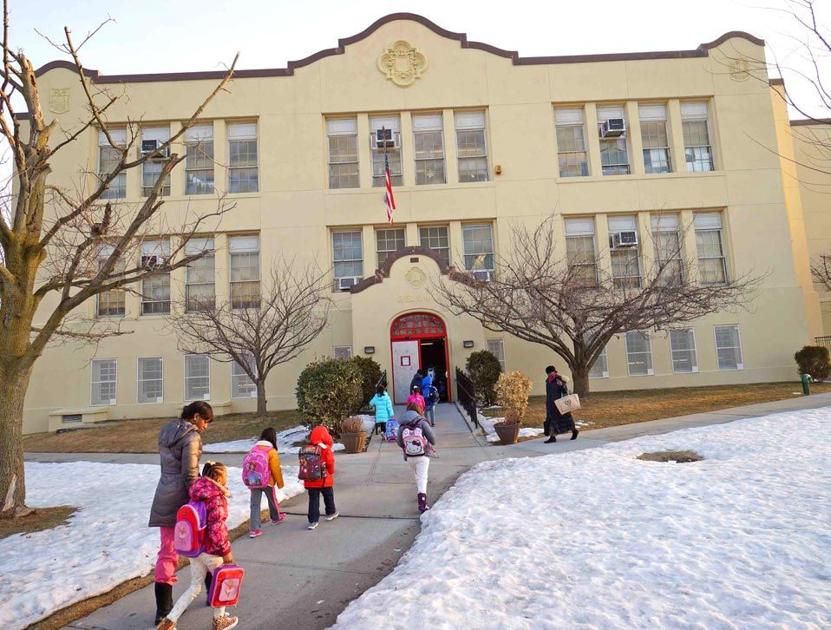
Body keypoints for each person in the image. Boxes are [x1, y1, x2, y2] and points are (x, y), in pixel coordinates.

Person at [149, 401, 213, 625]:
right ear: (196, 416)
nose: (205, 426)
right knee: (203, 545)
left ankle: (163, 611)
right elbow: (189, 473)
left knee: (167, 552)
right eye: (205, 420)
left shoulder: (166, 431)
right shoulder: (192, 436)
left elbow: (169, 468)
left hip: (164, 496)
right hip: (185, 501)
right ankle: (213, 593)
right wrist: (201, 497)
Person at [156, 461, 239, 630]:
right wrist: (226, 552)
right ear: (219, 478)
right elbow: (217, 530)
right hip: (211, 551)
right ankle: (219, 620)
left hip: (195, 549)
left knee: (194, 586)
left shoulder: (196, 493)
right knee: (222, 583)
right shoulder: (215, 498)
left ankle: (169, 621)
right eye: (225, 476)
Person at [397, 403, 437, 513]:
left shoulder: (402, 425)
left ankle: (420, 494)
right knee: (422, 478)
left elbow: (399, 442)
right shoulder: (422, 422)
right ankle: (422, 503)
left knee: (418, 475)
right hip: (423, 455)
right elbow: (433, 439)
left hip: (409, 456)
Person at [248, 427, 286, 539]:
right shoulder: (271, 451)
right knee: (272, 499)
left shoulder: (253, 449)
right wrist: (280, 483)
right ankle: (276, 518)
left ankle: (254, 529)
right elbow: (275, 469)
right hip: (267, 481)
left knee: (254, 504)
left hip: (254, 480)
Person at [305, 424, 338, 530]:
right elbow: (330, 462)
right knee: (328, 496)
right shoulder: (325, 448)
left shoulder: (307, 448)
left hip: (310, 479)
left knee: (313, 499)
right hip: (324, 479)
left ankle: (313, 521)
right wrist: (331, 472)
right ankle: (330, 512)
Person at [544, 365, 579, 443]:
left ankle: (574, 431)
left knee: (566, 419)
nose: (550, 375)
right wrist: (547, 403)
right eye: (548, 373)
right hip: (550, 403)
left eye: (551, 373)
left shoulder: (559, 379)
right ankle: (552, 437)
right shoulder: (547, 381)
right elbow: (548, 392)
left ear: (554, 371)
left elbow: (565, 391)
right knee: (552, 420)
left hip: (560, 403)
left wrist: (562, 385)